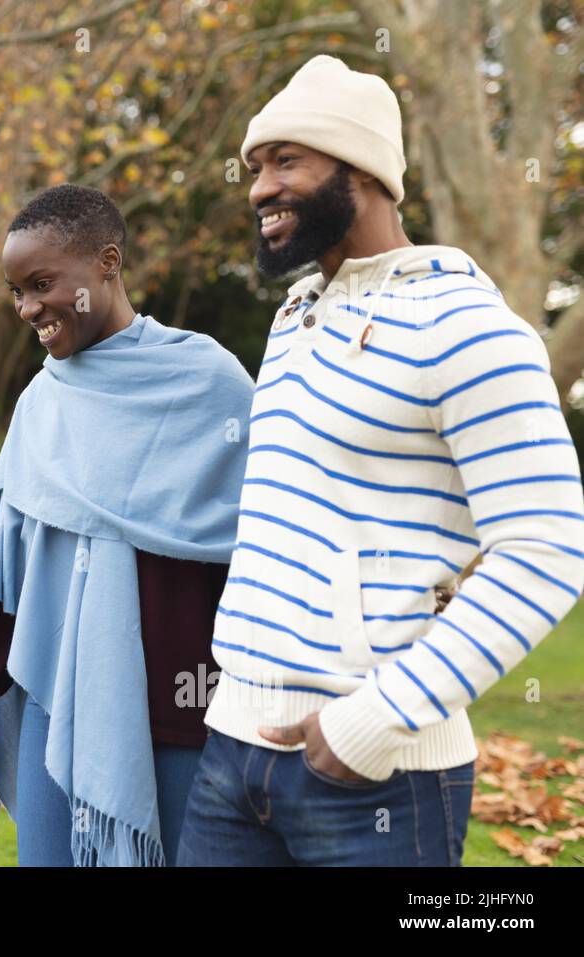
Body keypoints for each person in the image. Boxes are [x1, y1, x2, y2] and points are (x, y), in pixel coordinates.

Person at [176, 55, 584, 866]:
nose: (258, 188)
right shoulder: (292, 319)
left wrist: (376, 719)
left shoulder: (471, 328)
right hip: (230, 756)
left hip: (377, 776)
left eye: (286, 161)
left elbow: (548, 550)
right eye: (256, 167)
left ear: (359, 170)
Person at [0, 184, 255, 866]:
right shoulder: (43, 403)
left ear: (107, 263)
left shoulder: (213, 383)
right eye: (16, 291)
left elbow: (267, 556)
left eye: (42, 283)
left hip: (191, 712)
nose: (28, 308)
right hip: (57, 709)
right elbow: (1, 591)